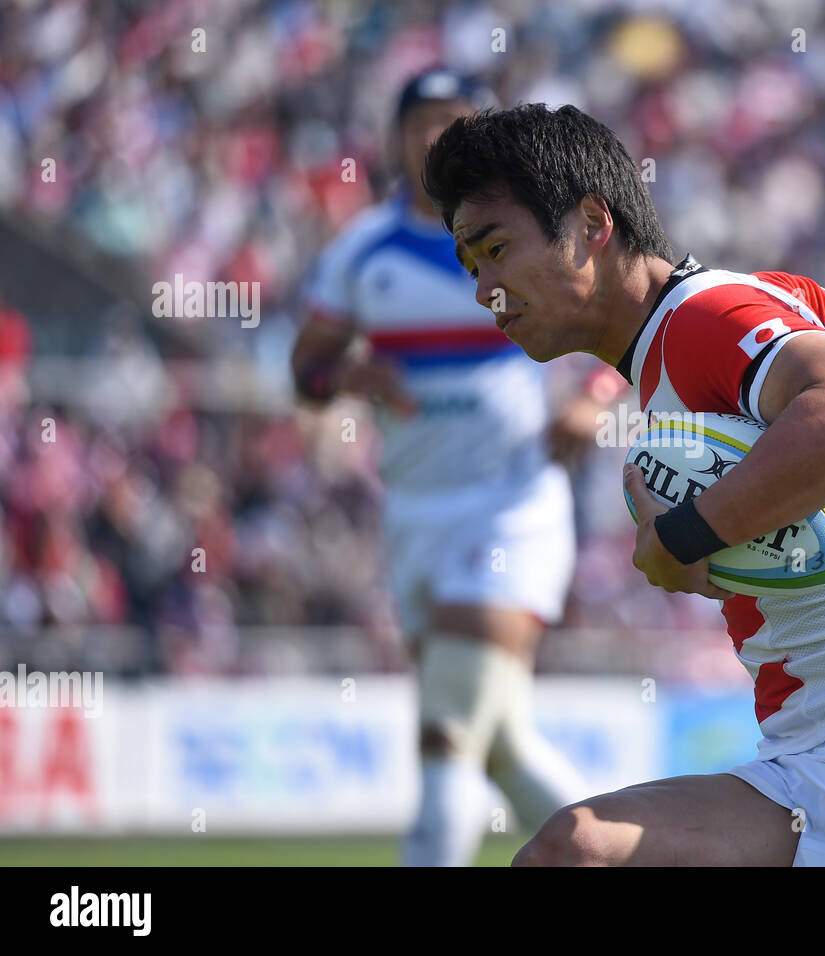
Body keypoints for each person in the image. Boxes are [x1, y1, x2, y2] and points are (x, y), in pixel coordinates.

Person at [424, 101, 825, 866]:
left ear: (590, 221)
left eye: (496, 249)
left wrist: (681, 537)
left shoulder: (703, 320)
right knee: (573, 851)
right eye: (470, 265)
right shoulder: (738, 307)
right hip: (806, 765)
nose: (486, 288)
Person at [290, 70, 590, 867]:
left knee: (447, 731)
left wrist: (592, 401)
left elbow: (617, 316)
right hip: (414, 512)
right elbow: (306, 370)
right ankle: (629, 856)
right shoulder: (361, 251)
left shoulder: (527, 237)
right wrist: (352, 375)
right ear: (394, 136)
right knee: (498, 743)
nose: (434, 136)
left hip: (511, 505)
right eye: (420, 121)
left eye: (453, 120)